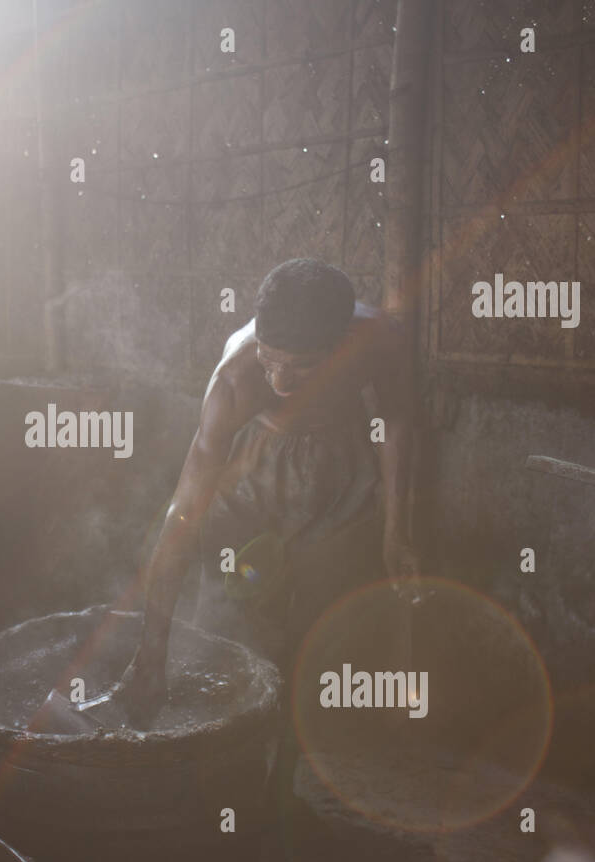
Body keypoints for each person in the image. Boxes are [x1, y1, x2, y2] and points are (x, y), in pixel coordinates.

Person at [118, 257, 422, 726]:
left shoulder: (378, 342)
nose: (279, 381)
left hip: (339, 466)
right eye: (268, 359)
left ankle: (299, 739)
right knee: (230, 614)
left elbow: (397, 420)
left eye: (302, 366)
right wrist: (152, 649)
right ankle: (223, 731)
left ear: (340, 346)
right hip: (249, 473)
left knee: (325, 617)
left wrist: (396, 529)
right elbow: (182, 514)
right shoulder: (234, 382)